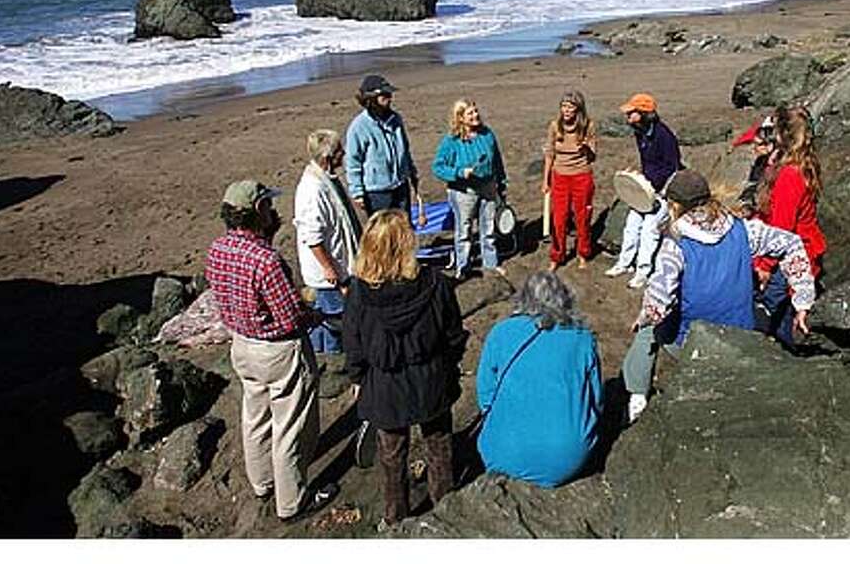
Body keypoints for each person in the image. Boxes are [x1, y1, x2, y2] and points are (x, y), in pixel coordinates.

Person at [621, 170, 815, 423]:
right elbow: (791, 244)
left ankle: (637, 399)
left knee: (647, 330)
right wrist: (803, 299)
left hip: (693, 341)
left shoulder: (675, 243)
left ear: (675, 205)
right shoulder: (742, 229)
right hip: (740, 334)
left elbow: (659, 300)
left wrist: (644, 317)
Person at [206, 179, 338, 522]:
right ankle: (292, 502)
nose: (274, 210)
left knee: (255, 417)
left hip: (242, 344)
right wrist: (314, 314)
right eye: (268, 205)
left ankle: (262, 482)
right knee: (289, 426)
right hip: (278, 350)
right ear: (258, 211)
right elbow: (290, 316)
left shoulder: (217, 249)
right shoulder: (266, 261)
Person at [342, 210, 468, 528]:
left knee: (392, 452)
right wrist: (448, 364)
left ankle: (395, 517)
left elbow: (353, 343)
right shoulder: (436, 284)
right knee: (439, 444)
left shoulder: (358, 292)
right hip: (429, 377)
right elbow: (453, 333)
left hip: (385, 384)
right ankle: (445, 509)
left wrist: (357, 377)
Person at [475, 271, 603, 487]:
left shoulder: (501, 332)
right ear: (565, 299)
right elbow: (597, 400)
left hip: (502, 454)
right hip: (568, 457)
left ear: (524, 299)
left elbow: (485, 394)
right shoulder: (583, 337)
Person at [752, 105, 826, 348]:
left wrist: (764, 265)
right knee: (784, 318)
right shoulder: (804, 164)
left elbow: (781, 227)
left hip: (788, 259)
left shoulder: (790, 175)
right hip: (802, 250)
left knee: (765, 317)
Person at [293, 129, 361, 354]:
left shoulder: (327, 179)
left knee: (327, 319)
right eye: (340, 150)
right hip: (327, 274)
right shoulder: (313, 190)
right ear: (327, 157)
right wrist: (328, 269)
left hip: (338, 264)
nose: (344, 153)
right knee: (334, 321)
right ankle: (331, 358)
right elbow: (313, 237)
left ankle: (323, 354)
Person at [604, 93, 681, 289]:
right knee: (631, 225)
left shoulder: (664, 136)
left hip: (662, 191)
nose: (628, 116)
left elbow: (671, 168)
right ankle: (624, 263)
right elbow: (648, 163)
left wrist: (656, 189)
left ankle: (643, 272)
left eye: (632, 112)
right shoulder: (640, 132)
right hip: (646, 189)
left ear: (644, 113)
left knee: (649, 230)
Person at [432, 99, 508, 278]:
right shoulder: (451, 141)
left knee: (488, 227)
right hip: (463, 192)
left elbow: (497, 161)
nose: (476, 116)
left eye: (476, 111)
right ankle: (463, 267)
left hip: (488, 187)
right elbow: (438, 167)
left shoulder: (487, 134)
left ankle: (491, 263)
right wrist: (459, 172)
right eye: (470, 113)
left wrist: (502, 184)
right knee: (464, 230)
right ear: (460, 118)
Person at [344, 74, 421, 217]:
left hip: (400, 186)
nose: (390, 98)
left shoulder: (396, 119)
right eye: (384, 95)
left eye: (389, 94)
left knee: (403, 229)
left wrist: (411, 172)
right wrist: (357, 192)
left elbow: (405, 150)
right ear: (371, 98)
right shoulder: (359, 127)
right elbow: (353, 162)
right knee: (382, 233)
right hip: (376, 192)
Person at [542, 90, 597, 271]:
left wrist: (586, 149)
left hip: (582, 175)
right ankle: (557, 256)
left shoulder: (588, 126)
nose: (566, 110)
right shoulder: (554, 126)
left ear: (578, 109)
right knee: (559, 218)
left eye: (571, 106)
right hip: (560, 176)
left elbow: (593, 156)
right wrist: (545, 180)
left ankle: (583, 253)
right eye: (564, 106)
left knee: (582, 217)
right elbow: (549, 154)